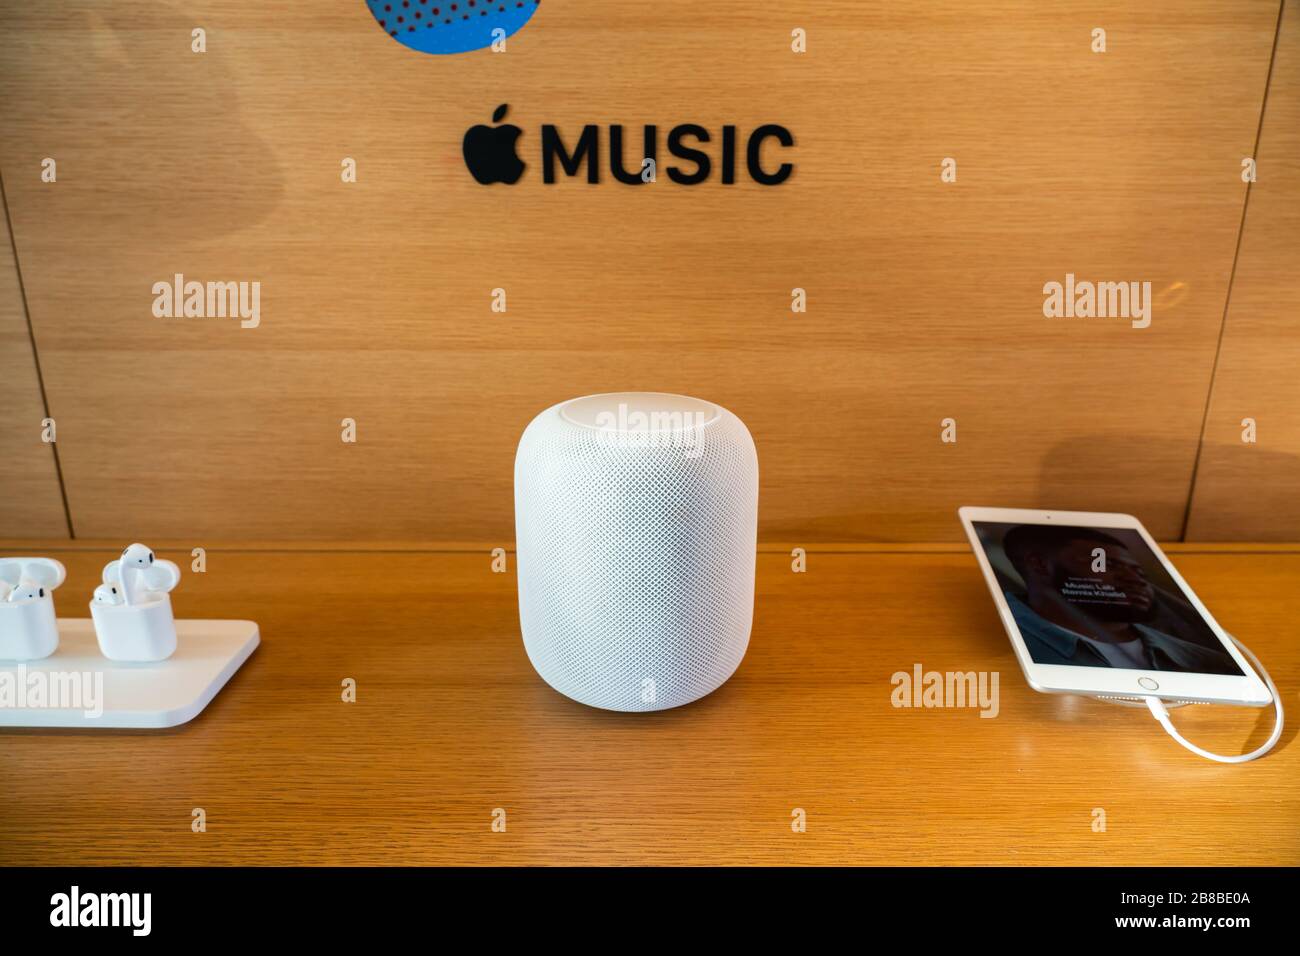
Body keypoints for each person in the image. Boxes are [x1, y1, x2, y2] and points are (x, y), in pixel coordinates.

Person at [999, 524, 1237, 673]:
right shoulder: (1010, 648)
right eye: (1105, 565)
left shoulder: (1209, 663)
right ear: (1039, 565)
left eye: (1139, 572)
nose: (1136, 580)